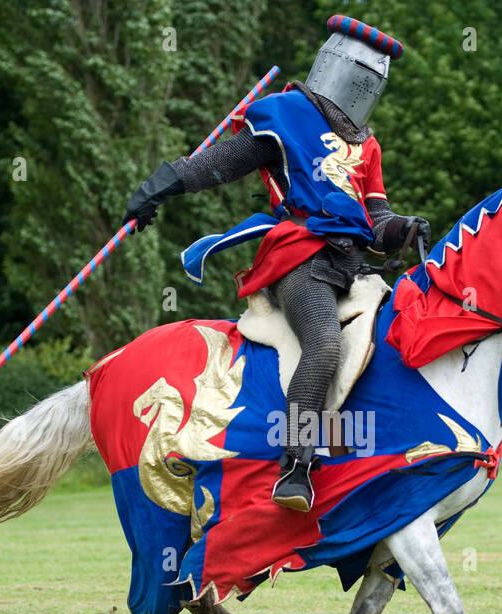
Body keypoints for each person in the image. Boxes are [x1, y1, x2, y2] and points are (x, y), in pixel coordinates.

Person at [122, 15, 430, 512]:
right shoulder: (287, 114)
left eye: (375, 80)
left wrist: (405, 228)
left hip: (354, 266)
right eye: (361, 74)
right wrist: (161, 184)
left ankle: (368, 454)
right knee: (325, 345)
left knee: (394, 339)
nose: (366, 85)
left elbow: (375, 218)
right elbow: (221, 161)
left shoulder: (367, 144)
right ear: (336, 66)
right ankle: (296, 467)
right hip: (301, 258)